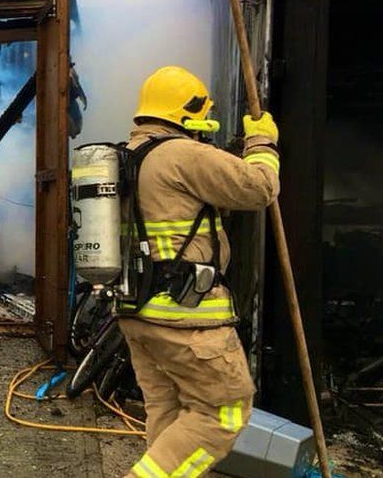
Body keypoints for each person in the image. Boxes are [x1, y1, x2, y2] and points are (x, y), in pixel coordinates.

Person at [117, 66, 280, 477]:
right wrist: (262, 142)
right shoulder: (183, 155)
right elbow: (259, 188)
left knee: (168, 412)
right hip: (186, 318)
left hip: (138, 314)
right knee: (222, 412)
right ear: (188, 112)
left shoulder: (126, 157)